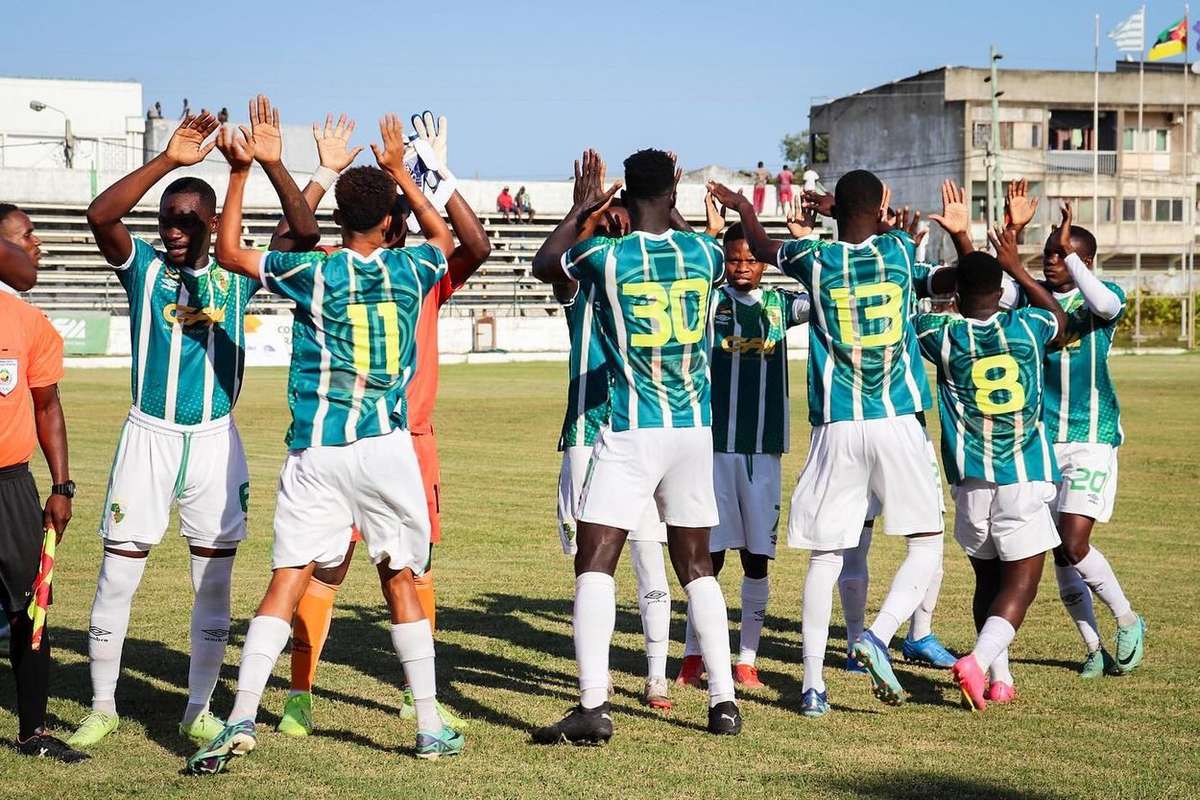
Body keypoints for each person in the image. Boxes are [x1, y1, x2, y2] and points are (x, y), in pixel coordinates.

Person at [185, 111, 461, 775]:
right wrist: (403, 174)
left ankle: (243, 713)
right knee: (399, 576)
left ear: (338, 218)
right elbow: (446, 238)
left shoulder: (310, 272)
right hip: (388, 449)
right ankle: (427, 724)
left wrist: (243, 169)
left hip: (317, 453)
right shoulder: (410, 270)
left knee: (289, 577)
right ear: (387, 215)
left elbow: (228, 254)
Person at [68, 104, 318, 750]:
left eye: (185, 221)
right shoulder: (145, 268)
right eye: (165, 221)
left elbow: (305, 230)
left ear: (211, 222)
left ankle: (198, 708)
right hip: (147, 435)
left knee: (213, 582)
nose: (172, 231)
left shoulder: (238, 272)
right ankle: (101, 705)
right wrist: (168, 162)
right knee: (118, 575)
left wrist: (262, 164)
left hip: (214, 441)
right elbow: (99, 216)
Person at [267, 112, 489, 736]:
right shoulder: (349, 269)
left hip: (408, 438)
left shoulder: (421, 276)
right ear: (392, 217)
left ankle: (415, 697)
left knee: (412, 570)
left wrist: (435, 177)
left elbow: (476, 247)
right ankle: (300, 693)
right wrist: (411, 180)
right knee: (325, 568)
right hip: (361, 439)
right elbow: (289, 240)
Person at [708, 171, 954, 717]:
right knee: (926, 541)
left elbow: (767, 247)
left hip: (838, 425)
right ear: (883, 204)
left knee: (827, 554)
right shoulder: (897, 253)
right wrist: (960, 237)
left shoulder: (813, 260)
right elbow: (951, 282)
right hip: (895, 419)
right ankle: (877, 634)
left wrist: (745, 204)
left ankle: (812, 684)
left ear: (835, 208)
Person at [530, 148, 741, 744]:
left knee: (596, 559)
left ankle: (594, 706)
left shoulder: (609, 255)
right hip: (693, 429)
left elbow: (548, 263)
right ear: (673, 188)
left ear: (623, 196)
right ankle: (723, 702)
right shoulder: (704, 251)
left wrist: (585, 206)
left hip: (632, 426)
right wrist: (668, 201)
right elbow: (679, 230)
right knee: (696, 564)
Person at [915, 228, 1069, 711]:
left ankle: (999, 679)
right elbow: (1059, 319)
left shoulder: (940, 334)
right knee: (1021, 585)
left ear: (957, 296)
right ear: (1002, 293)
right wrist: (1016, 265)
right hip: (1023, 475)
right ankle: (979, 662)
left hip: (972, 480)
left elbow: (909, 314)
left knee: (987, 582)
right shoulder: (1027, 327)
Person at [1003, 200, 1146, 678]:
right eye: (1048, 252)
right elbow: (993, 289)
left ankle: (1127, 618)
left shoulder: (1103, 297)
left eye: (1063, 254)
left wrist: (1074, 258)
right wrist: (1013, 233)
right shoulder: (1029, 299)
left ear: (1086, 261)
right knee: (1058, 549)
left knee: (1074, 540)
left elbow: (1103, 304)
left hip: (1091, 435)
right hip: (1041, 438)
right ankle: (1092, 647)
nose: (1052, 259)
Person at [551, 194, 676, 711]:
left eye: (623, 217)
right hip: (585, 436)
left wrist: (662, 200)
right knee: (590, 566)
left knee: (651, 554)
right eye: (608, 220)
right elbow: (555, 268)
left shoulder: (650, 286)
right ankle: (594, 686)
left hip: (635, 434)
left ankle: (657, 677)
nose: (617, 225)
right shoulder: (580, 285)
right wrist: (582, 214)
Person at [676, 221, 809, 691]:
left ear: (765, 262)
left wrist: (805, 241)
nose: (743, 268)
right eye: (734, 259)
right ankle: (694, 655)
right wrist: (709, 242)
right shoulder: (711, 303)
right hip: (712, 450)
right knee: (706, 559)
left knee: (756, 558)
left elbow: (824, 293)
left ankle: (747, 659)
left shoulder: (780, 305)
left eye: (752, 260)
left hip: (762, 451)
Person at [0, 227, 85, 762]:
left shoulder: (31, 324)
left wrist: (61, 485)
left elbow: (47, 406)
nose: (37, 248)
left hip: (10, 484)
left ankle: (32, 732)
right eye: (25, 236)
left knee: (30, 609)